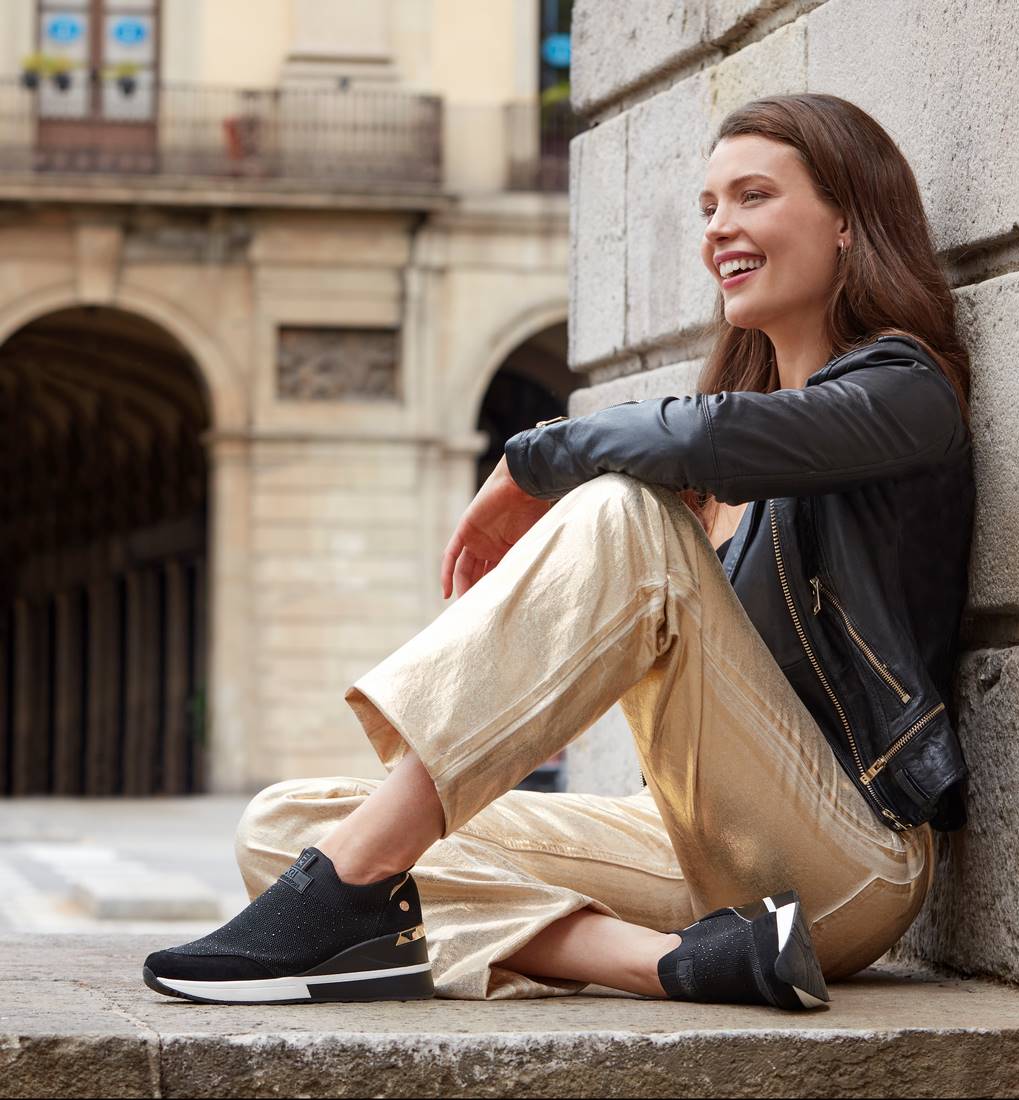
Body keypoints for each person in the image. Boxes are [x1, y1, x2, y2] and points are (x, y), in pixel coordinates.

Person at [142, 93, 974, 1010]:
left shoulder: (907, 394)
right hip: (699, 856)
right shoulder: (719, 464)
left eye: (753, 196)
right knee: (285, 824)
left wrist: (532, 461)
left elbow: (709, 436)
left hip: (853, 861)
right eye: (708, 207)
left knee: (621, 508)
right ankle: (675, 963)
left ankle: (347, 886)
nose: (718, 229)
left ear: (849, 219)